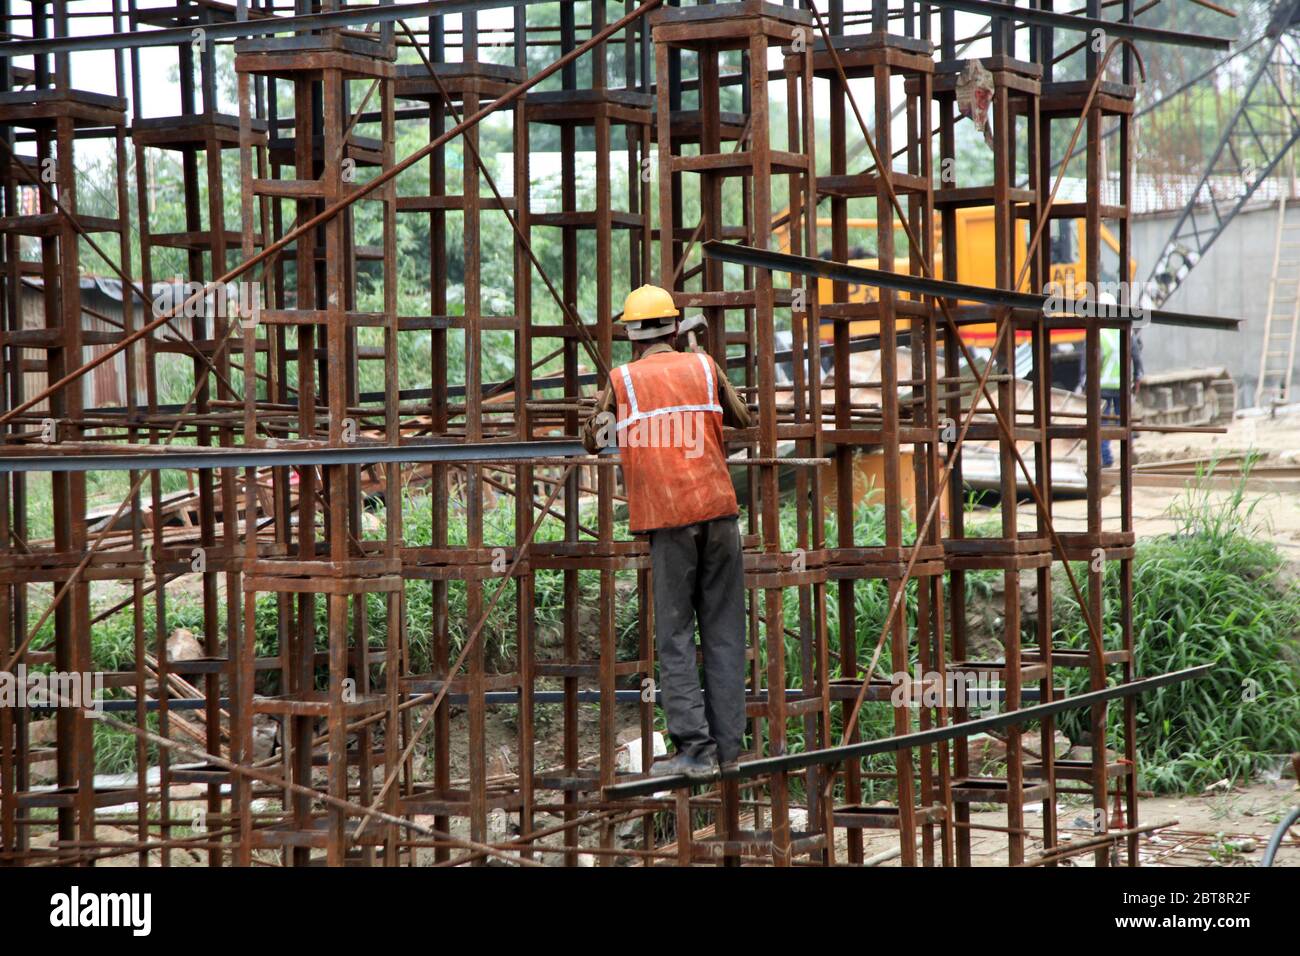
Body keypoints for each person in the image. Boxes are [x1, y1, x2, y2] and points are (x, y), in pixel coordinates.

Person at [581, 284, 751, 782]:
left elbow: (593, 441)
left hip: (669, 520)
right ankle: (727, 750)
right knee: (724, 632)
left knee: (675, 635)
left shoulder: (623, 380)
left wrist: (600, 408)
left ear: (631, 334)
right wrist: (701, 369)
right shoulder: (704, 366)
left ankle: (694, 750)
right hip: (721, 514)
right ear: (675, 327)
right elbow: (743, 417)